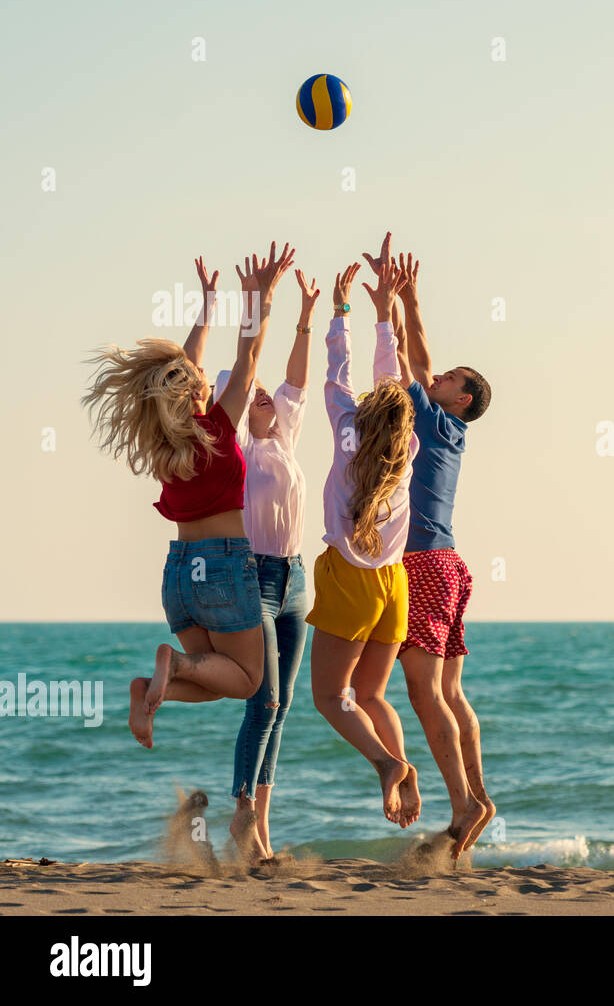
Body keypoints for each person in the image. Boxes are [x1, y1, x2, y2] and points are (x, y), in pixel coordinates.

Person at [82, 243, 294, 749]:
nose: (203, 373)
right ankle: (173, 665)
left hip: (181, 574)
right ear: (197, 391)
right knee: (249, 681)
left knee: (214, 677)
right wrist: (259, 298)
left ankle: (151, 689)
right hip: (223, 567)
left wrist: (208, 306)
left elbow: (186, 365)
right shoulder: (217, 427)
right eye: (199, 377)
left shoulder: (160, 443)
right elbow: (249, 357)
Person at [364, 233, 493, 858]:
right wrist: (409, 300)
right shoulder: (448, 427)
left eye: (449, 378)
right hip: (448, 564)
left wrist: (394, 304)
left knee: (423, 692)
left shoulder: (437, 420)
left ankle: (463, 803)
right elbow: (420, 358)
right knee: (450, 693)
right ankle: (478, 798)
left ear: (461, 398)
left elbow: (412, 360)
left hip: (423, 564)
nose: (437, 377)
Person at [307, 259, 423, 827]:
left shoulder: (347, 430)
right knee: (372, 696)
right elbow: (390, 380)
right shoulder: (408, 452)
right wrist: (385, 314)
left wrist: (341, 311)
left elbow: (338, 372)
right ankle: (404, 767)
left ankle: (385, 763)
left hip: (351, 579)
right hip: (393, 584)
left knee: (330, 697)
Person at [211, 267, 320, 861]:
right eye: (250, 392)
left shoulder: (284, 439)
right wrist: (257, 302)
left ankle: (261, 830)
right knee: (265, 701)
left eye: (264, 394)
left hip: (295, 579)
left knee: (283, 708)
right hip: (252, 579)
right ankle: (241, 813)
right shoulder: (235, 449)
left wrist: (306, 314)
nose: (261, 396)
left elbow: (297, 378)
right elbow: (246, 363)